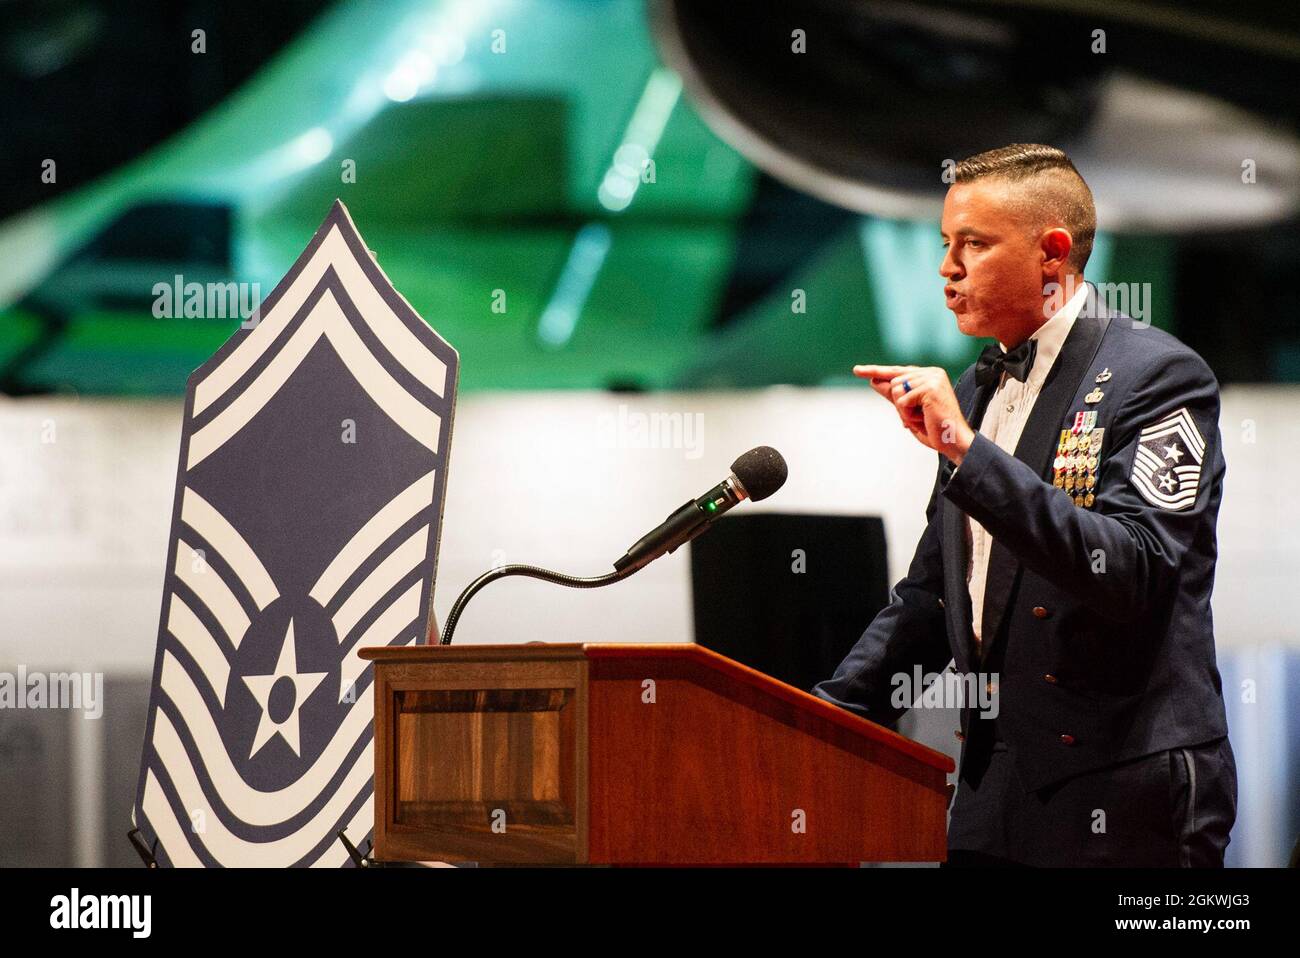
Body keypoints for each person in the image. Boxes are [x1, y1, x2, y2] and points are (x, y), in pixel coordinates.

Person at [812, 143, 1237, 867]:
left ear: (1053, 253)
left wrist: (968, 453)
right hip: (991, 782)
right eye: (947, 243)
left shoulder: (1159, 375)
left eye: (972, 244)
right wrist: (821, 719)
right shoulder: (977, 388)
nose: (946, 267)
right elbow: (930, 598)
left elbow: (1133, 570)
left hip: (1123, 782)